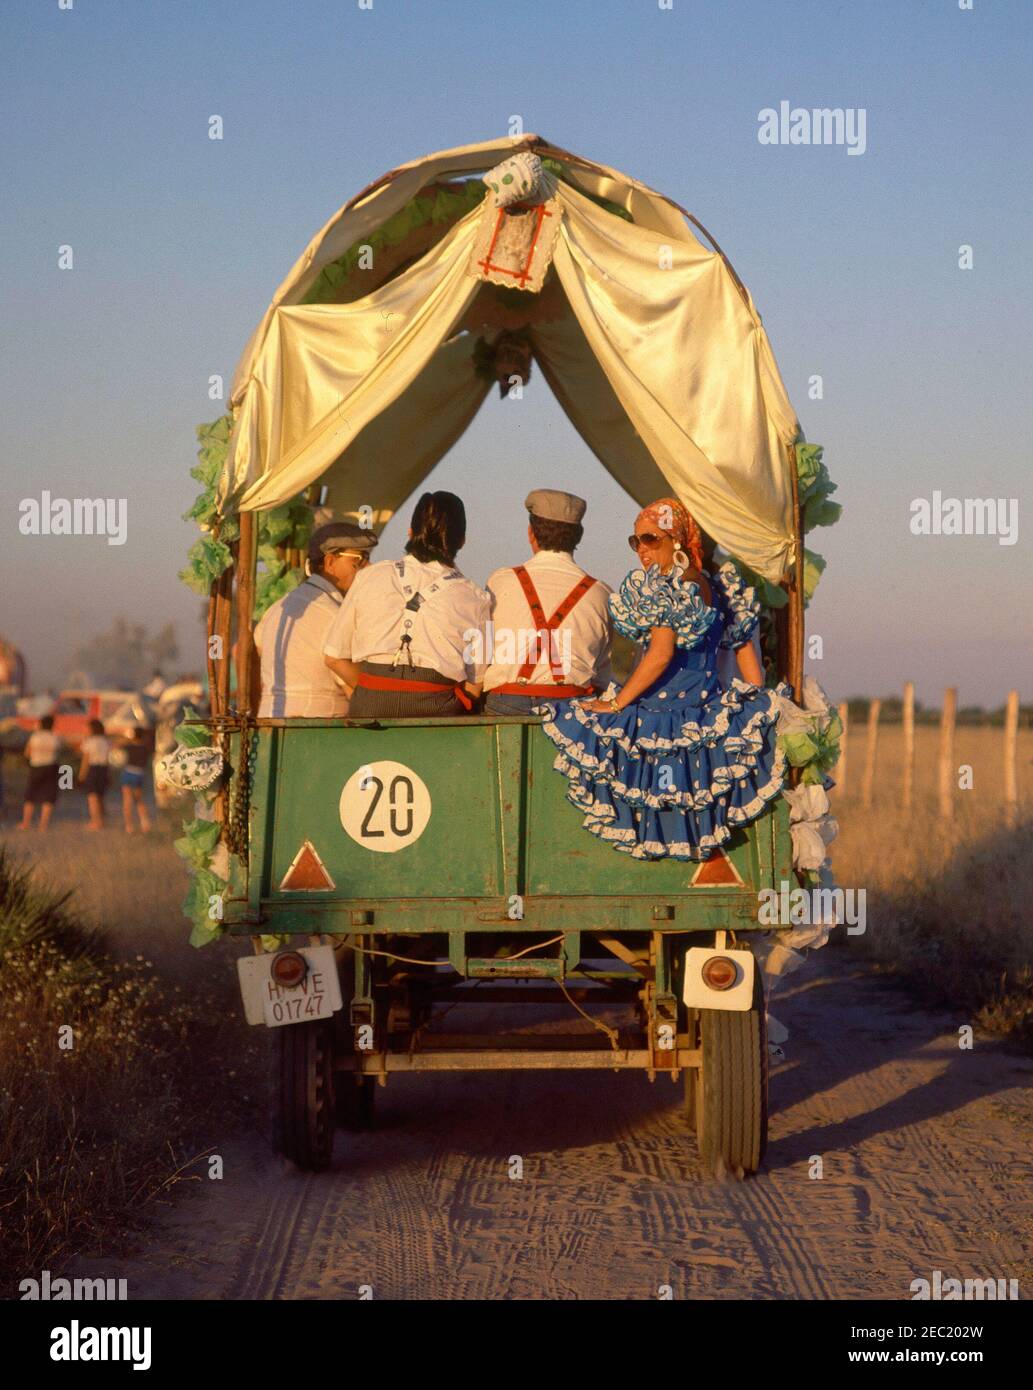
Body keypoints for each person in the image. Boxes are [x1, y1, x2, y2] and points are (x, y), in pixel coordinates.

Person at [539, 497, 790, 861]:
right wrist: (759, 710)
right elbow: (747, 661)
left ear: (678, 540)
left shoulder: (671, 586)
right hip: (702, 716)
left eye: (651, 539)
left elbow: (660, 654)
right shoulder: (714, 585)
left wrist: (616, 702)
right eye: (636, 540)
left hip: (664, 719)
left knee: (568, 719)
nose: (641, 549)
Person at [324, 491, 490, 717]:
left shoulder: (370, 576)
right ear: (461, 540)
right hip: (437, 710)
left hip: (369, 703)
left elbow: (334, 657)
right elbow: (475, 683)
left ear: (410, 532)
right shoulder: (476, 597)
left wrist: (371, 690)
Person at [482, 489, 613, 716]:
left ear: (530, 533)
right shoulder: (601, 594)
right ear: (579, 536)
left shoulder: (500, 581)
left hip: (506, 703)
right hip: (573, 709)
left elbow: (481, 653)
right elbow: (601, 677)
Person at [254, 521, 378, 717]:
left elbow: (257, 646)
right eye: (360, 559)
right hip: (317, 731)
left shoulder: (276, 609)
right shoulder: (336, 615)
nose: (369, 567)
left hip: (270, 721)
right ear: (329, 562)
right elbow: (355, 692)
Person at [17, 713, 62, 831]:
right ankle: (43, 825)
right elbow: (59, 751)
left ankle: (26, 822)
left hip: (36, 766)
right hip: (51, 766)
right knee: (48, 795)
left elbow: (27, 753)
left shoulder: (35, 737)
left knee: (30, 795)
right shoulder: (55, 737)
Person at [119, 725, 153, 834]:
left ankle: (129, 826)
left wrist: (128, 738)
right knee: (139, 800)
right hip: (139, 774)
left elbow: (118, 745)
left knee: (127, 800)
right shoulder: (146, 748)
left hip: (128, 772)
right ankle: (145, 823)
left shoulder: (129, 746)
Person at [79, 717, 111, 831]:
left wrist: (82, 774)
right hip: (103, 769)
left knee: (92, 798)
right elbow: (107, 759)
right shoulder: (106, 741)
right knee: (101, 797)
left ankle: (95, 822)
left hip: (92, 769)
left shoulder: (89, 741)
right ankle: (102, 821)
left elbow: (86, 759)